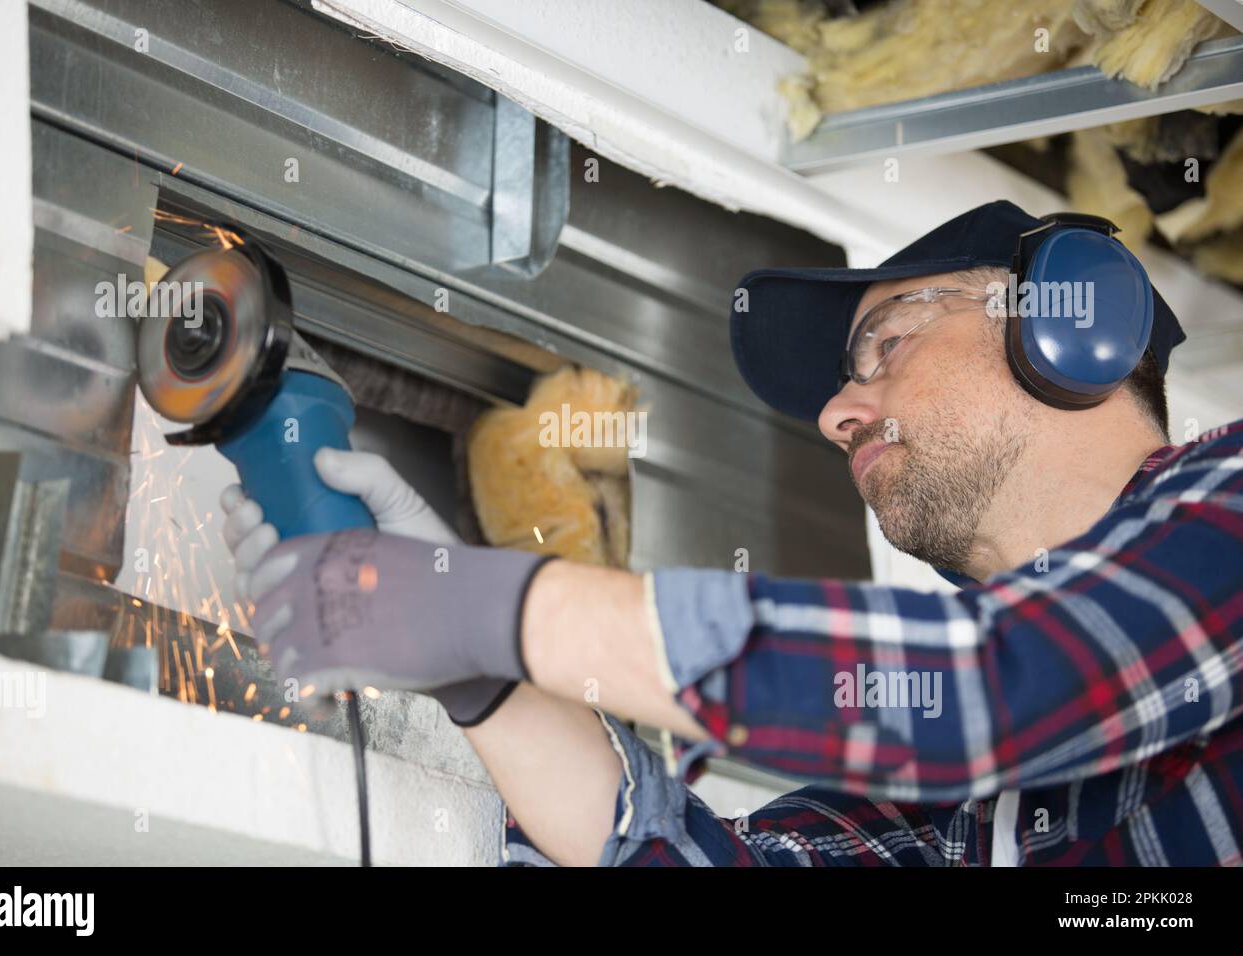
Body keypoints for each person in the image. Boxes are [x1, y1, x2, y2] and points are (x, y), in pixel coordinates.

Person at [220, 200, 1243, 866]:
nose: (839, 414)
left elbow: (992, 684)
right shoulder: (945, 810)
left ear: (1073, 322)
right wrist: (470, 670)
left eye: (884, 343)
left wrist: (494, 606)